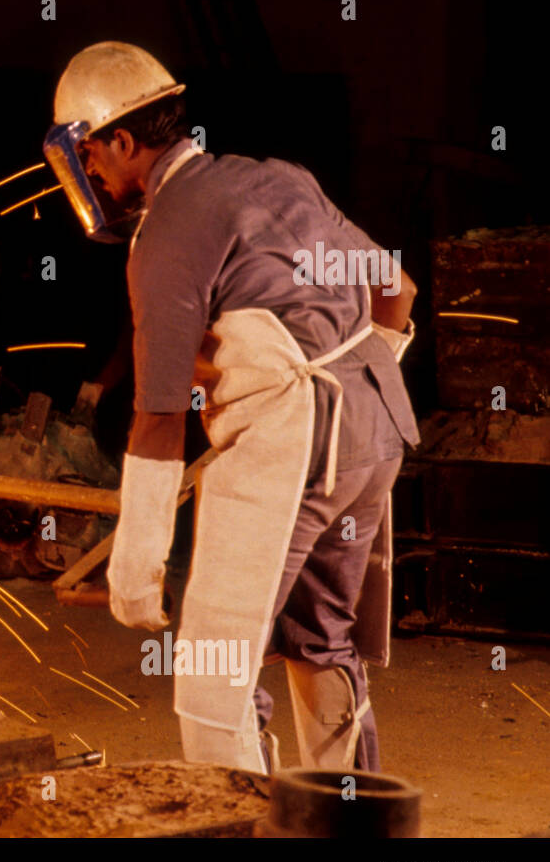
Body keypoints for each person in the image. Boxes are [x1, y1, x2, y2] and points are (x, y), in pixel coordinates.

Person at [46, 43, 419, 773]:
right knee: (321, 644)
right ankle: (351, 830)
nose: (88, 171)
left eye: (90, 153)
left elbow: (158, 415)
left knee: (215, 677)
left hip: (296, 439)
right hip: (377, 422)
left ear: (124, 140)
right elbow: (396, 290)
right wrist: (345, 394)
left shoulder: (165, 235)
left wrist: (136, 567)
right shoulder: (275, 177)